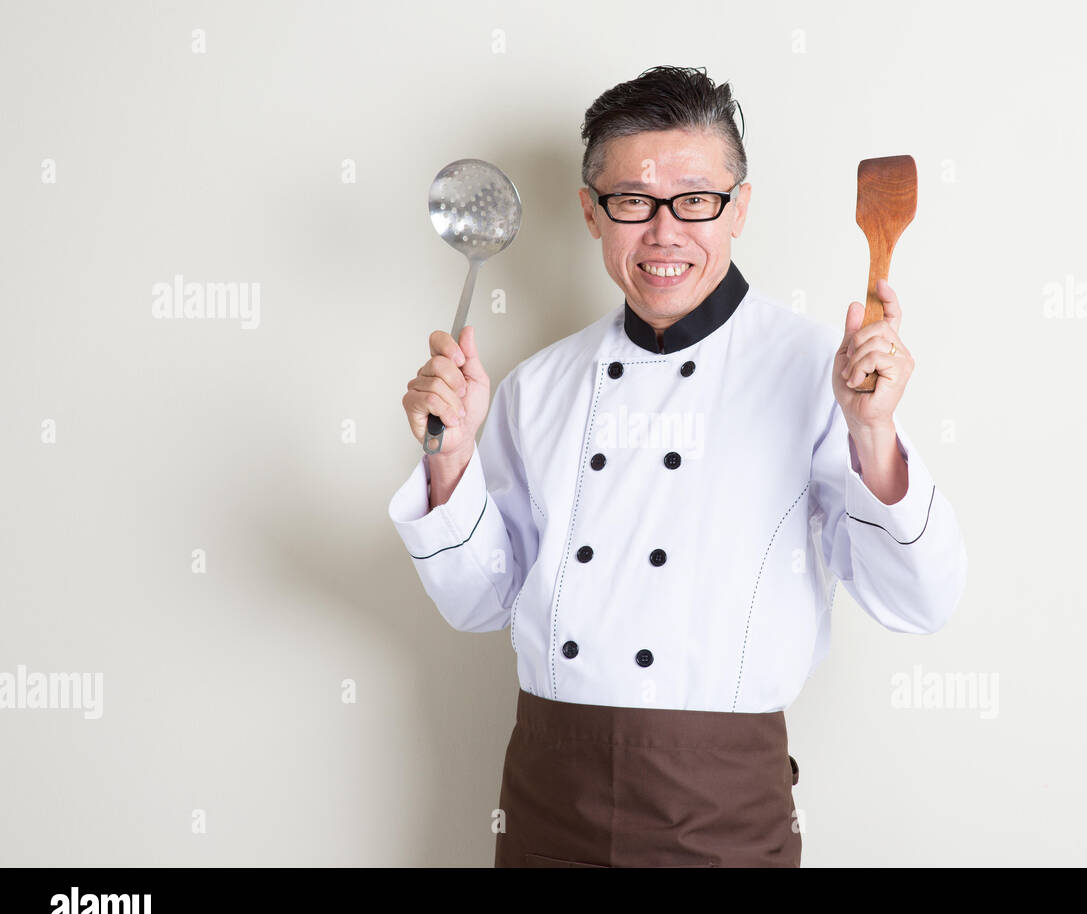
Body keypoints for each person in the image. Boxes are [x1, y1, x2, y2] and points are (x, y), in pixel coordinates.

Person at [389, 65, 968, 867]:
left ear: (740, 209)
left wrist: (873, 431)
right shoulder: (537, 387)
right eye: (633, 202)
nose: (664, 233)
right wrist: (450, 465)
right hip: (549, 801)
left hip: (723, 808)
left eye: (696, 200)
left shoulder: (819, 372)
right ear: (592, 213)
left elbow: (921, 601)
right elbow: (480, 602)